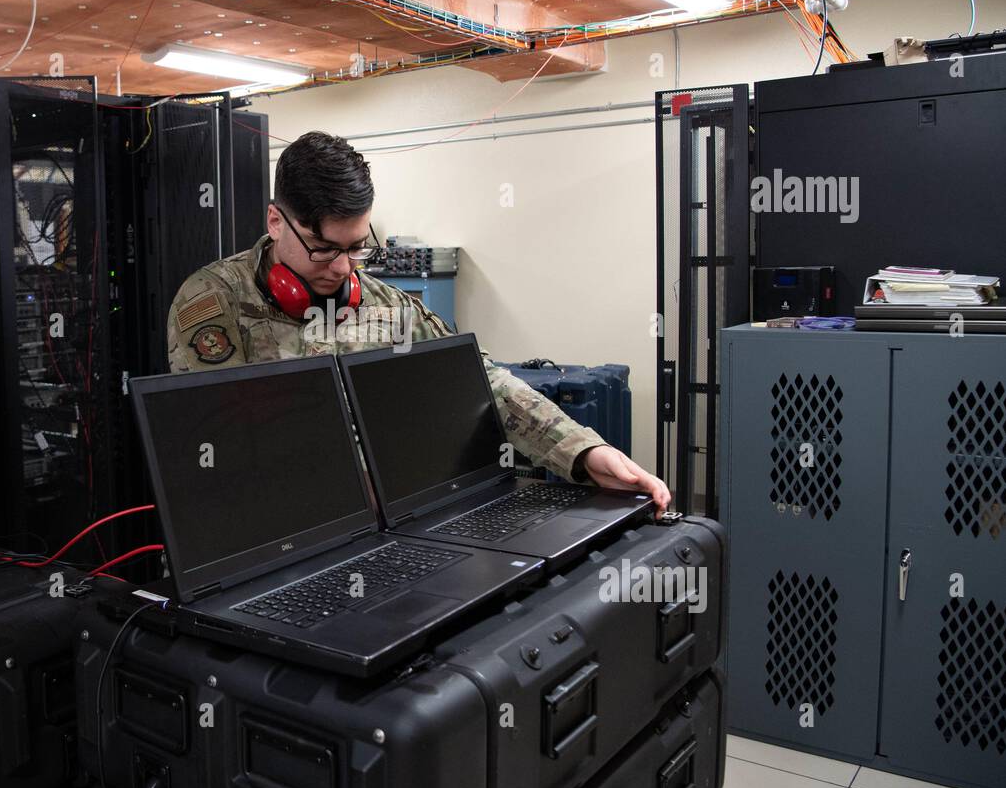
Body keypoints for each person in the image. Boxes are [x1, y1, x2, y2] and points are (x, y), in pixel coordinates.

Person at [167, 130, 670, 514]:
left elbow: (482, 382)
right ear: (276, 221)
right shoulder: (215, 302)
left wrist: (583, 451)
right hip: (273, 535)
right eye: (323, 249)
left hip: (384, 522)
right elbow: (218, 448)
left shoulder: (387, 305)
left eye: (356, 248)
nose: (342, 268)